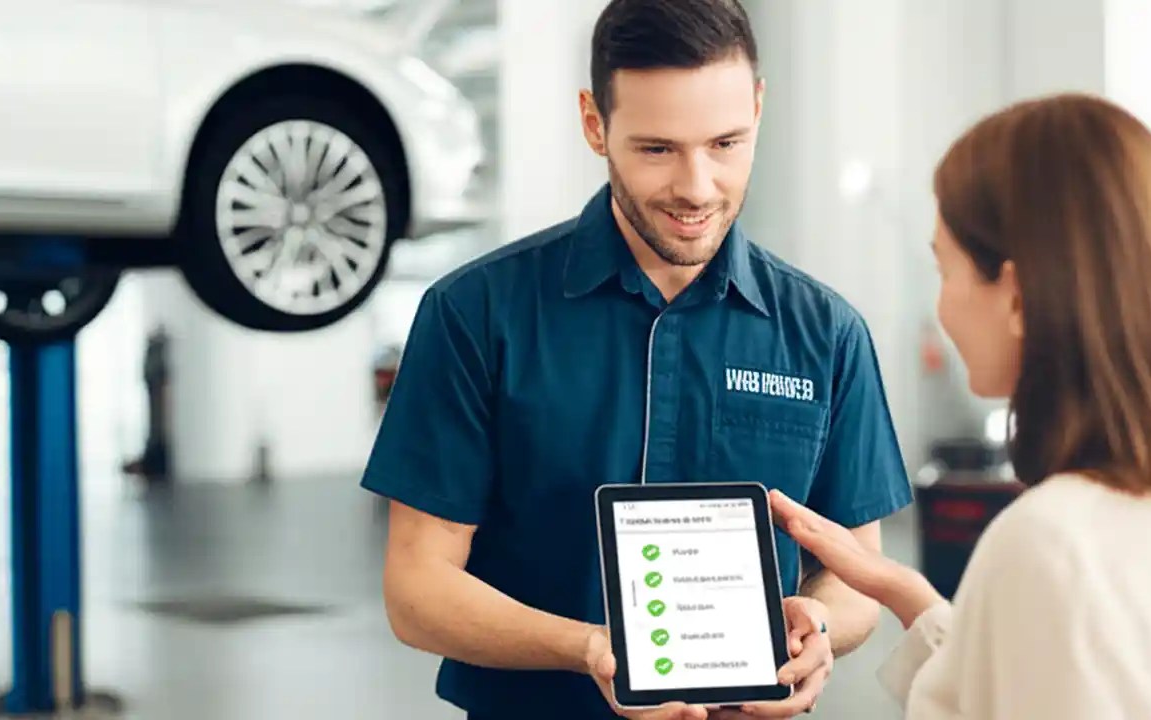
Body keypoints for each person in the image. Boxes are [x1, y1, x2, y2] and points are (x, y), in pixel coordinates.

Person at [359, 0, 913, 717]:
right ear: (595, 124)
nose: (696, 187)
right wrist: (589, 648)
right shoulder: (474, 316)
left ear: (758, 107)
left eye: (725, 143)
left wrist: (822, 627)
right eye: (657, 149)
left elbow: (858, 575)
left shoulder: (828, 334)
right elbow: (416, 589)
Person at [770, 93, 1151, 719]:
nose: (942, 307)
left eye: (946, 271)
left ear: (1018, 297)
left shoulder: (1049, 545)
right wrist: (901, 589)